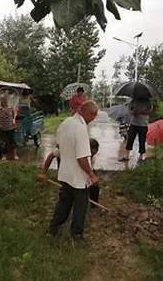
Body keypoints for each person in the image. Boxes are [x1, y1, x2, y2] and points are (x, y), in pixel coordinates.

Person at [48, 101, 98, 242]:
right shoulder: (80, 129)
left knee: (64, 203)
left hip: (65, 173)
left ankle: (53, 227)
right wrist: (91, 175)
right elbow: (82, 158)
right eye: (93, 117)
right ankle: (76, 236)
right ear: (89, 113)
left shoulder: (66, 123)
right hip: (78, 178)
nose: (92, 120)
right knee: (80, 208)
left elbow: (60, 145)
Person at [39, 138, 101, 207]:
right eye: (90, 153)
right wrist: (44, 173)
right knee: (67, 183)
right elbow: (50, 156)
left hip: (79, 164)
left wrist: (91, 179)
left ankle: (93, 204)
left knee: (93, 186)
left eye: (93, 154)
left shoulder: (92, 158)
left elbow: (88, 171)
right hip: (65, 162)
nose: (91, 155)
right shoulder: (67, 150)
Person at [0, 95, 18, 160]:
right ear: (0, 101)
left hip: (10, 128)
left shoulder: (10, 108)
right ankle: (4, 155)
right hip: (2, 128)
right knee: (3, 143)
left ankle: (15, 155)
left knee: (12, 141)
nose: (4, 101)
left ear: (7, 100)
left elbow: (13, 116)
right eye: (2, 100)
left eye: (5, 99)